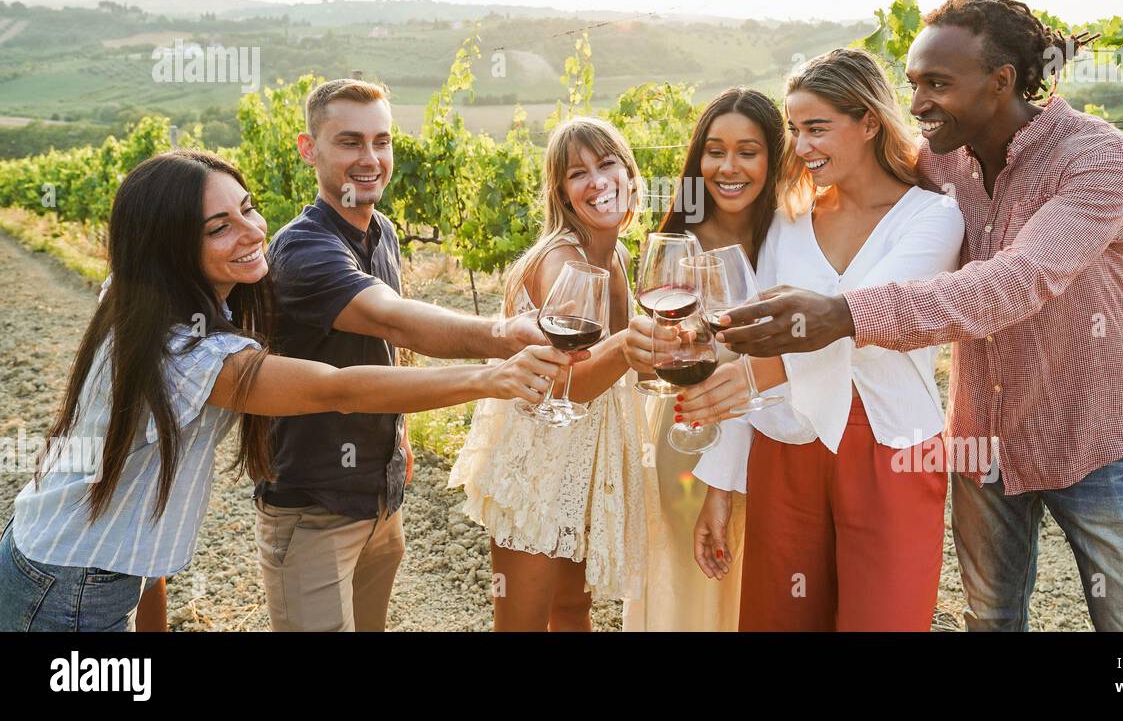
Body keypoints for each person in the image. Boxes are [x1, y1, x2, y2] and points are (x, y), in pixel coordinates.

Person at [707, 0, 1123, 632]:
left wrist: (841, 314)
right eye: (913, 82)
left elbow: (1014, 282)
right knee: (990, 618)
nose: (918, 102)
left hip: (1090, 434)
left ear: (1000, 81)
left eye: (937, 84)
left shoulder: (1101, 160)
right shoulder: (939, 166)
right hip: (982, 437)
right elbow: (858, 187)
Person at [0, 149, 573, 632]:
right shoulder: (188, 353)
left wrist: (496, 338)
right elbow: (336, 388)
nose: (252, 232)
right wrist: (490, 375)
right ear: (168, 247)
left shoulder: (139, 297)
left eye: (247, 209)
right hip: (69, 583)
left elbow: (144, 504)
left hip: (64, 562)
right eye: (218, 227)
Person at [253, 78, 547, 632]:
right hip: (313, 503)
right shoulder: (303, 249)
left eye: (381, 141)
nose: (371, 159)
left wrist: (400, 438)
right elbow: (393, 319)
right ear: (307, 148)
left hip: (378, 496)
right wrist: (504, 334)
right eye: (349, 142)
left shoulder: (381, 230)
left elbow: (383, 346)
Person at [682, 51, 963, 630]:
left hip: (893, 450)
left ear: (867, 121)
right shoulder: (786, 218)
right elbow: (748, 341)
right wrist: (718, 484)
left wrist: (759, 374)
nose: (802, 146)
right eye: (793, 129)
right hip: (787, 447)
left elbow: (862, 322)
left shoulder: (933, 219)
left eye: (817, 128)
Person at [449, 116, 659, 631]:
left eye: (607, 164)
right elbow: (570, 384)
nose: (597, 181)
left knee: (572, 611)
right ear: (563, 196)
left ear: (630, 175)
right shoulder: (561, 261)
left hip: (586, 461)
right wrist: (636, 346)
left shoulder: (620, 256)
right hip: (537, 463)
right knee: (522, 622)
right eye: (577, 173)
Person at [621, 88, 785, 632]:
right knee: (692, 580)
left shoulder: (793, 237)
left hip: (777, 438)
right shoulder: (678, 244)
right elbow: (648, 364)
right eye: (715, 150)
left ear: (774, 157)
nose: (728, 166)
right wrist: (651, 351)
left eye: (748, 151)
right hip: (690, 433)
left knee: (758, 584)